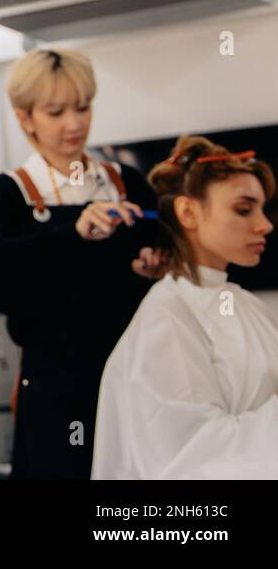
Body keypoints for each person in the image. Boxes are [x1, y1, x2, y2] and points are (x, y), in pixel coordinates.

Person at [0, 48, 166, 479]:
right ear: (25, 118)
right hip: (57, 387)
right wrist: (71, 233)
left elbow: (161, 251)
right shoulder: (9, 193)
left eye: (83, 107)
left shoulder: (124, 183)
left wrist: (155, 262)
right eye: (56, 112)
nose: (74, 124)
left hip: (136, 374)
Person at [93, 135, 277, 479]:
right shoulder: (168, 315)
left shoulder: (246, 305)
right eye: (243, 209)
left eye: (263, 209)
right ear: (188, 212)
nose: (264, 224)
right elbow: (190, 455)